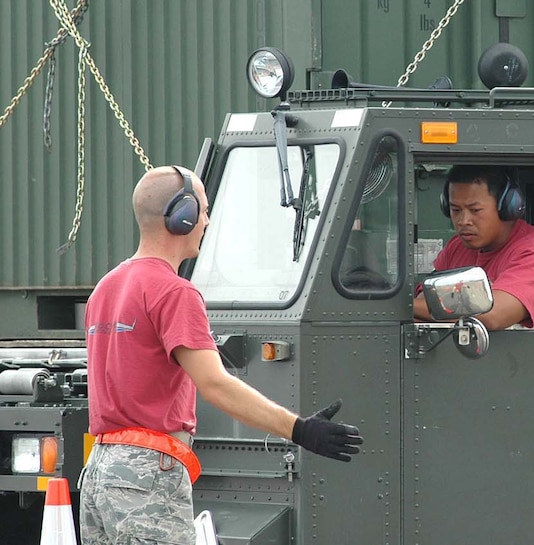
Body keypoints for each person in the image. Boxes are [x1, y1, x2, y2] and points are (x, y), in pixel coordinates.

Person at [79, 165, 363, 544]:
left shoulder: (106, 288)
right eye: (205, 210)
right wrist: (299, 429)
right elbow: (215, 384)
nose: (208, 221)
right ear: (182, 216)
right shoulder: (174, 292)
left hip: (99, 470)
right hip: (147, 473)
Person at [413, 165, 534, 330]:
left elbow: (492, 316)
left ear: (507, 207)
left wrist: (400, 309)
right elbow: (426, 298)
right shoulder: (457, 247)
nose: (463, 220)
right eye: (455, 210)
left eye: (475, 210)